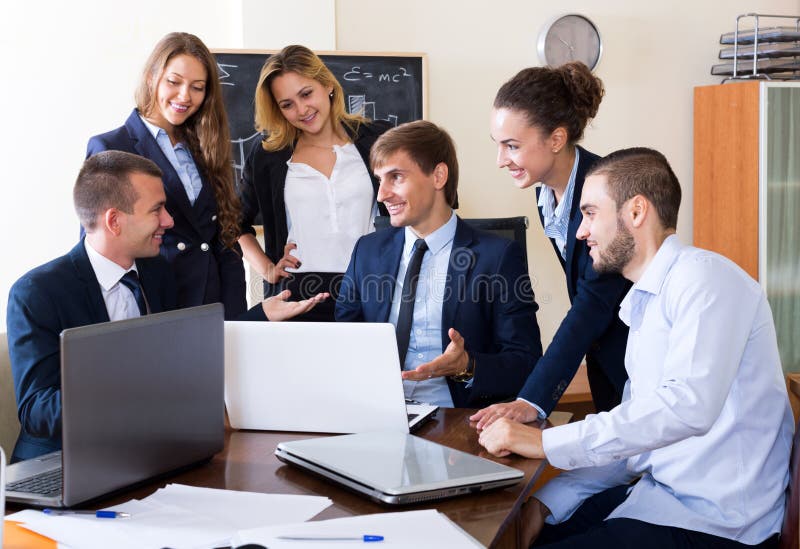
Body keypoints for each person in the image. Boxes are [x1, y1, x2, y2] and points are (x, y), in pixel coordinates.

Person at [478, 148, 793, 549]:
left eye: (590, 214)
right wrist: (545, 502)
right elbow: (633, 437)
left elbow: (687, 406)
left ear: (637, 212)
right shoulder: (643, 302)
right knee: (514, 534)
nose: (580, 231)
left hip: (718, 524)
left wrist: (544, 443)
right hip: (657, 499)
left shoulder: (706, 280)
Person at [6, 151, 325, 462]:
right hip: (62, 463)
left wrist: (262, 314)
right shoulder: (37, 293)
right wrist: (137, 387)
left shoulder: (157, 272)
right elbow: (38, 412)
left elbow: (190, 343)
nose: (169, 221)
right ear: (114, 221)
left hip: (146, 455)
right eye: (157, 209)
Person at [336, 120, 542, 408]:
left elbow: (526, 362)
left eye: (395, 177)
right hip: (378, 413)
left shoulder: (497, 257)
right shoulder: (366, 252)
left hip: (454, 420)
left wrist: (467, 365)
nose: (381, 195)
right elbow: (343, 342)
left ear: (438, 176)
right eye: (379, 179)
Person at [472, 62, 630, 429]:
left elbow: (593, 302)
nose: (501, 160)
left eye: (512, 146)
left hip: (636, 362)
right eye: (498, 145)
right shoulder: (546, 194)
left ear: (556, 139)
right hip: (603, 358)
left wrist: (533, 399)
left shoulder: (605, 192)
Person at [86, 32, 247, 320]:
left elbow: (226, 241)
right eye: (174, 82)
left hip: (212, 308)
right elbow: (98, 250)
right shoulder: (111, 147)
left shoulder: (207, 148)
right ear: (152, 77)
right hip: (154, 307)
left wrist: (237, 319)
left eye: (197, 87)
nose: (185, 96)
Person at [238, 45, 392, 321]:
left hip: (369, 289)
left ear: (327, 85)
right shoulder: (267, 156)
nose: (301, 110)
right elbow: (235, 224)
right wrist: (268, 268)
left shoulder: (377, 139)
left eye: (306, 94)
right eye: (287, 104)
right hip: (296, 295)